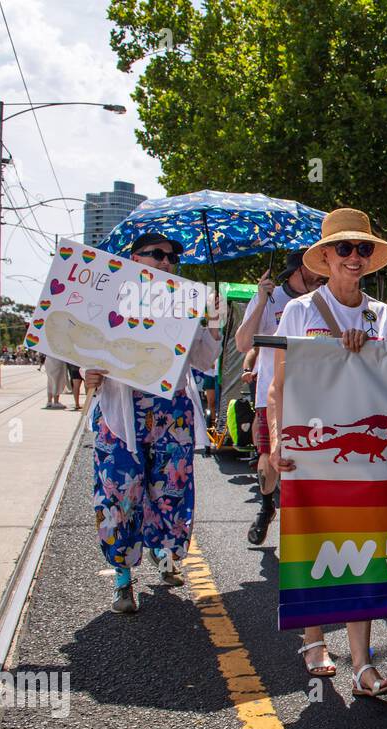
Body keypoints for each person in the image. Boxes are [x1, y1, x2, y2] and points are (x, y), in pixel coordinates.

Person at [268, 207, 387, 697]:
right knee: (314, 543)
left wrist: (369, 352)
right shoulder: (299, 312)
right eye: (344, 248)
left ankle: (363, 665)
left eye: (363, 249)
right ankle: (314, 638)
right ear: (325, 256)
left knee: (362, 547)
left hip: (360, 450)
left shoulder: (380, 314)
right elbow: (278, 387)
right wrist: (277, 439)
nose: (354, 257)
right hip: (311, 447)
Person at [82, 231, 221, 613]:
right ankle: (123, 580)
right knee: (119, 495)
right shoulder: (110, 300)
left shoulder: (186, 303)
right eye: (156, 255)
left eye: (172, 258)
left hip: (171, 414)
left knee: (170, 492)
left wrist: (211, 319)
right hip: (121, 415)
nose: (165, 263)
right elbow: (87, 347)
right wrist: (88, 371)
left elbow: (206, 360)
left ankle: (166, 555)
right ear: (135, 259)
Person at [233, 249, 324, 546]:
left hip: (315, 392)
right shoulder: (271, 298)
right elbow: (242, 343)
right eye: (312, 267)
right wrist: (260, 301)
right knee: (269, 457)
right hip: (272, 391)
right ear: (298, 269)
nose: (319, 272)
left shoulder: (323, 299)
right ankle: (266, 506)